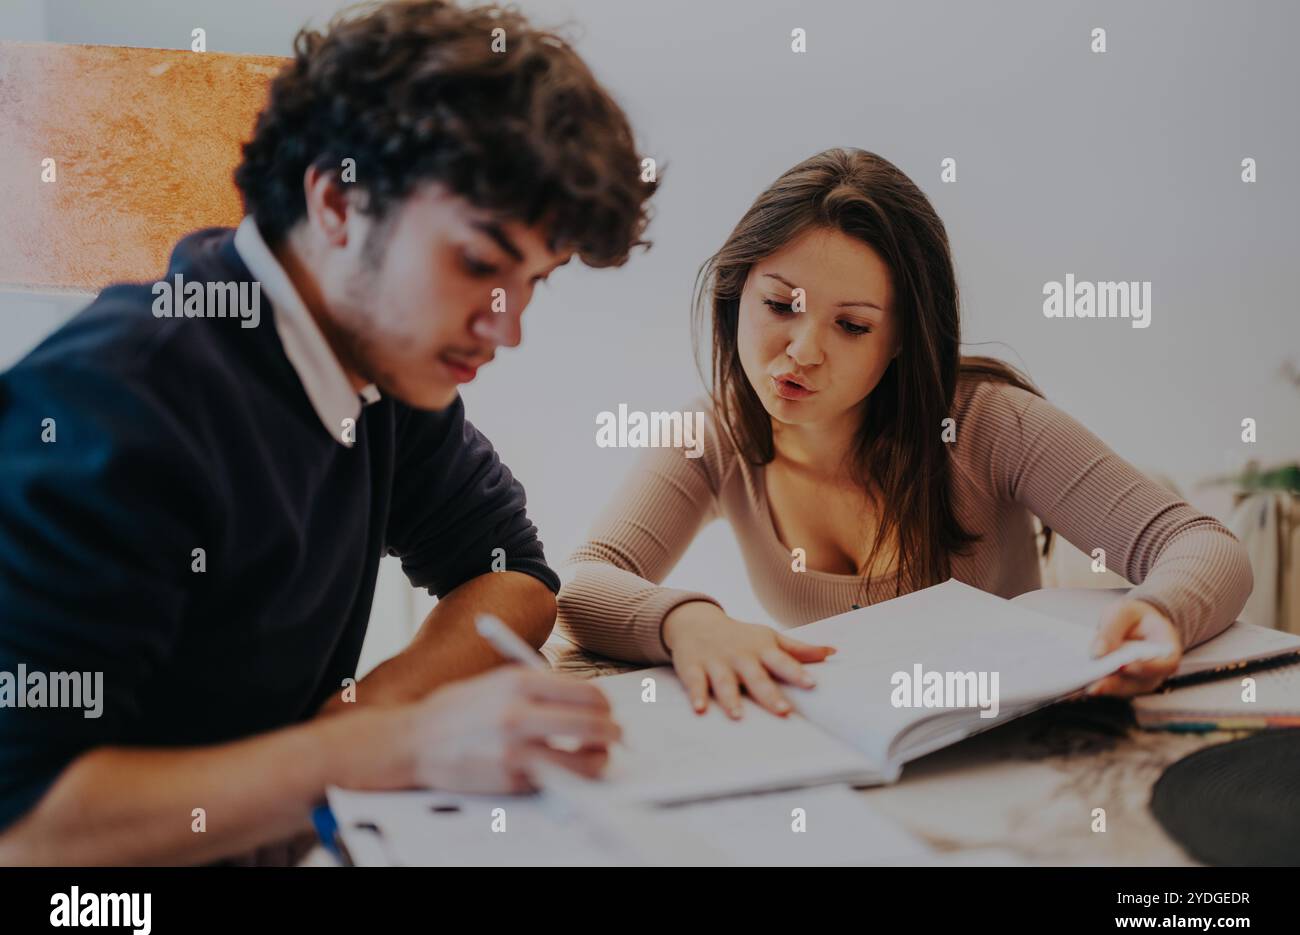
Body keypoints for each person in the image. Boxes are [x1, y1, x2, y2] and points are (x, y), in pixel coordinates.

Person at [0, 0, 655, 864]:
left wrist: (363, 721)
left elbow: (514, 578)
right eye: (480, 264)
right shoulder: (113, 406)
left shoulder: (379, 372)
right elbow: (27, 826)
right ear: (339, 200)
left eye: (537, 280)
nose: (509, 329)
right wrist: (392, 748)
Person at [556, 147, 1253, 719]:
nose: (802, 351)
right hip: (852, 750)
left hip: (1003, 744)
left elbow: (1202, 545)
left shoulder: (986, 424)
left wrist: (1163, 614)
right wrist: (689, 623)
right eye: (779, 305)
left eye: (852, 325)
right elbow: (586, 584)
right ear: (736, 293)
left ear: (899, 341)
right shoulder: (712, 436)